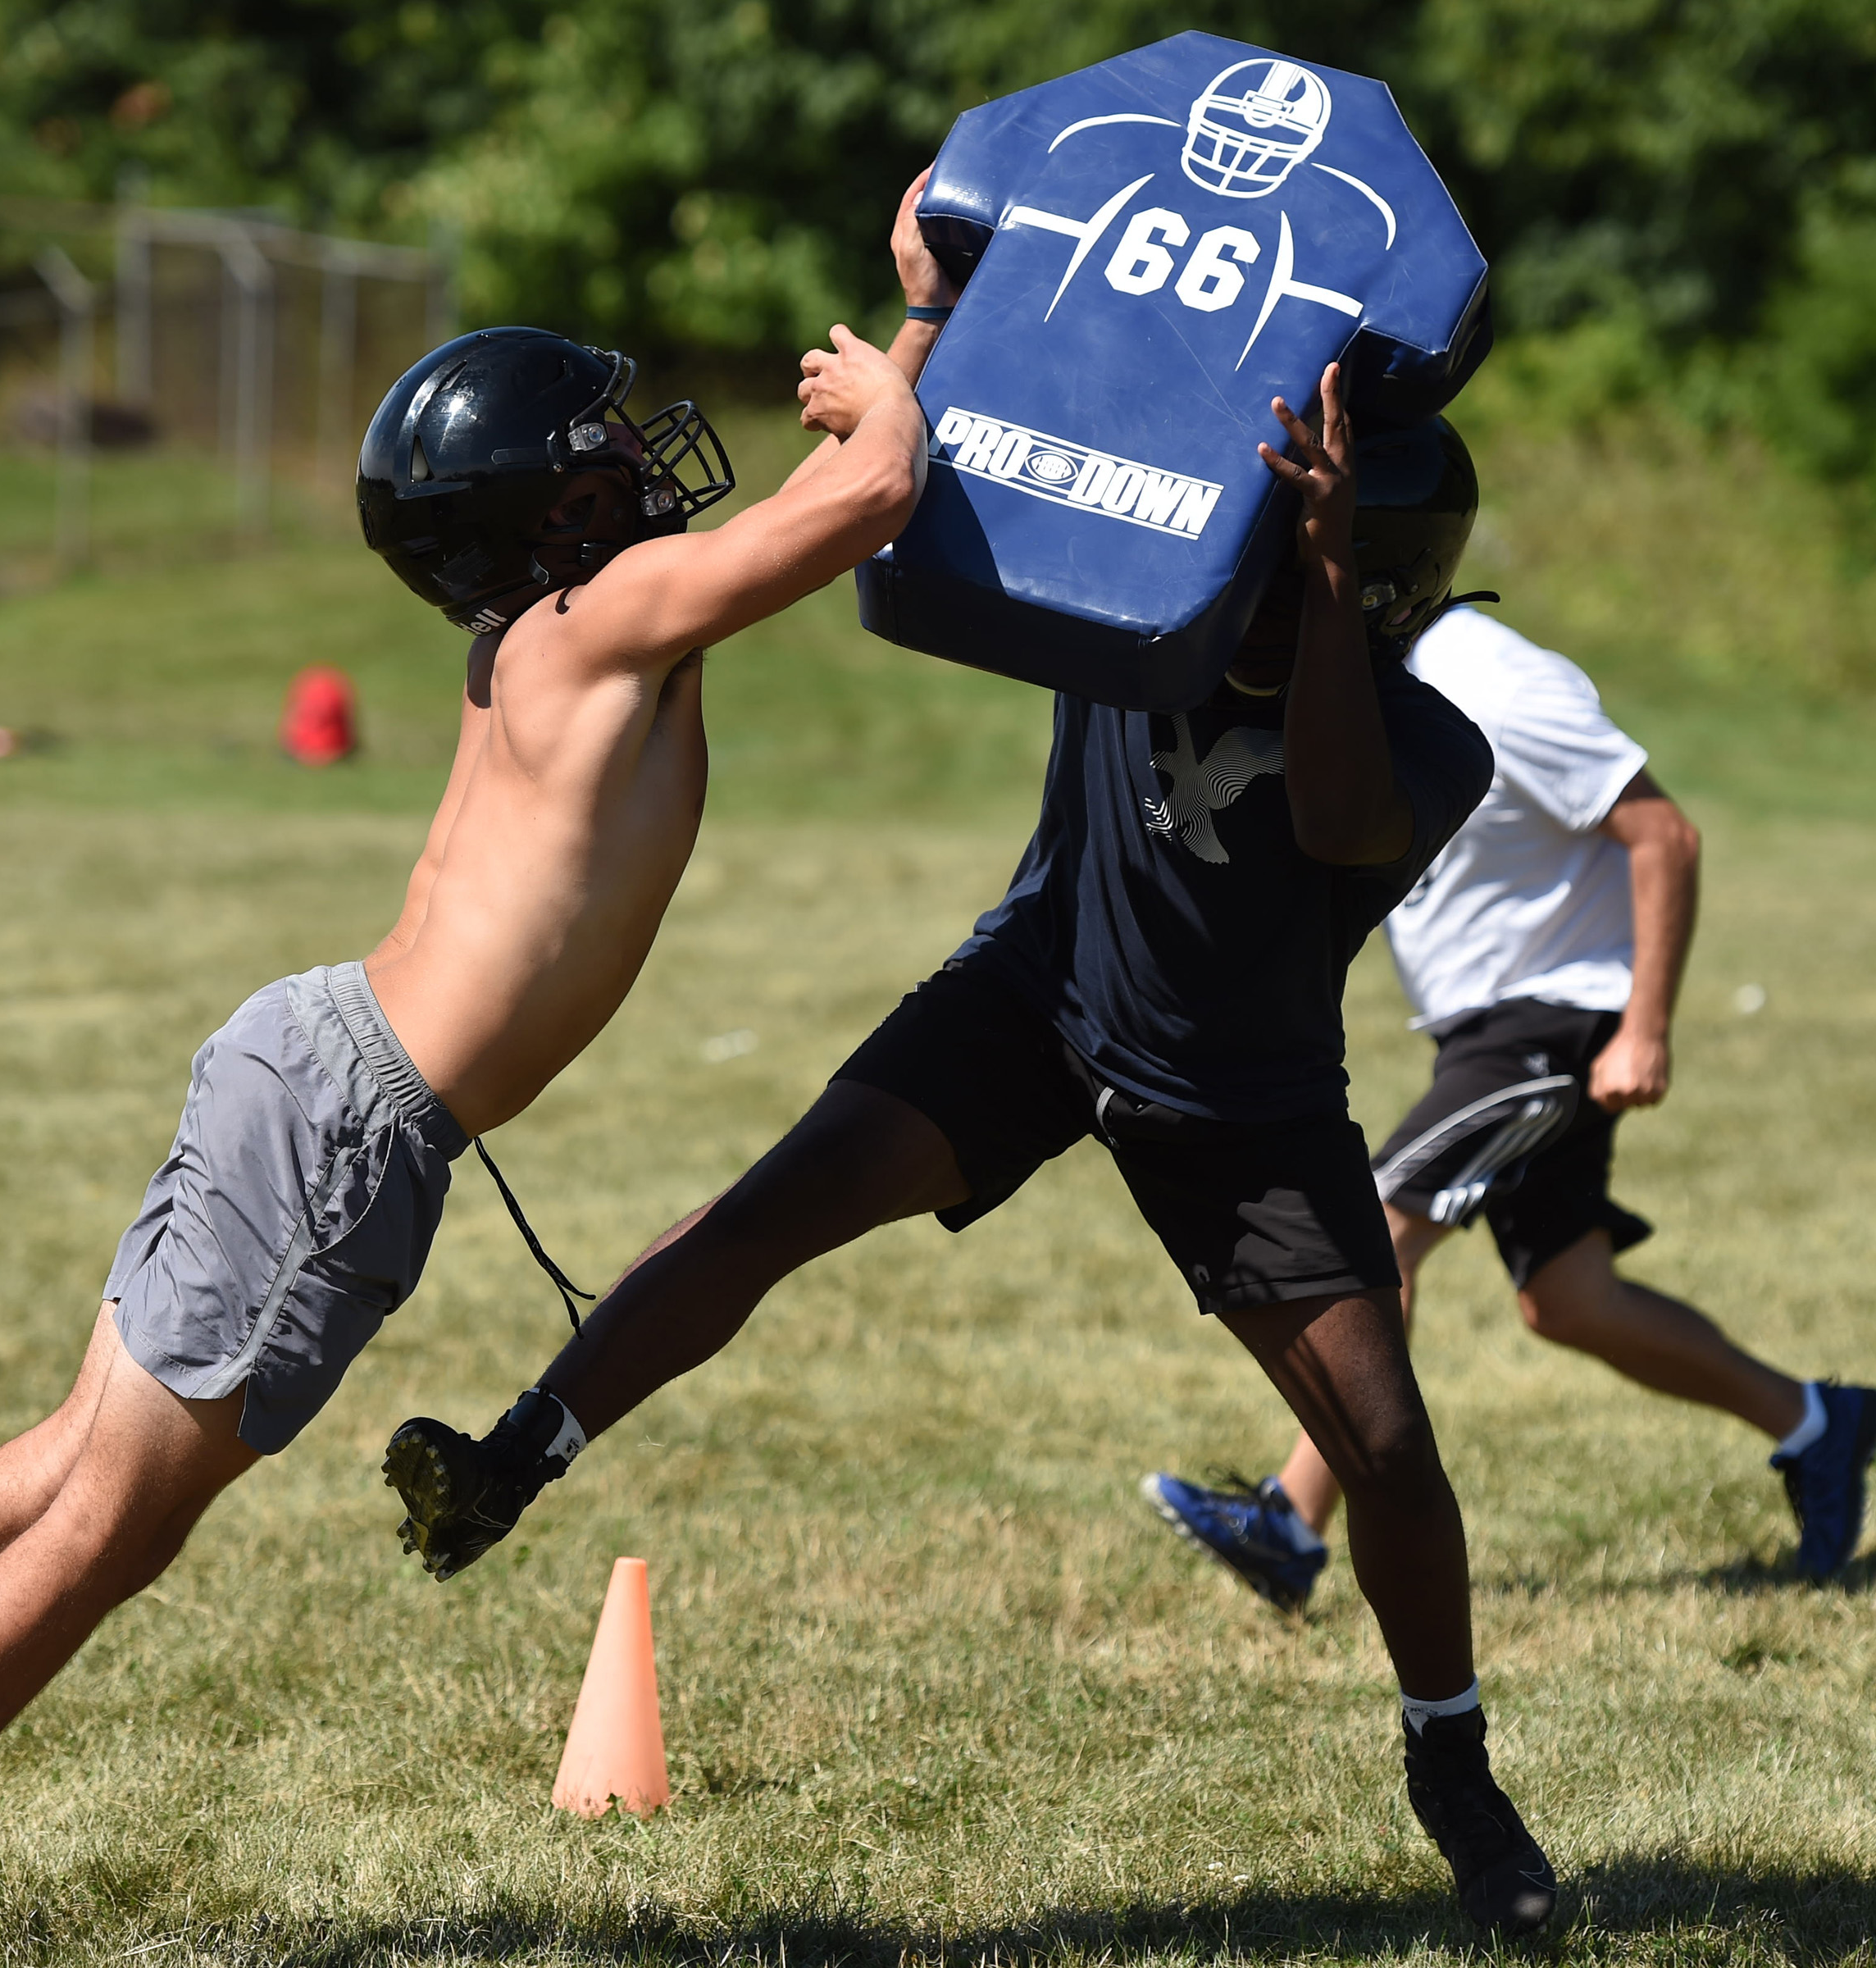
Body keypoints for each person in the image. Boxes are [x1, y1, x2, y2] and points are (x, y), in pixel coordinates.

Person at [0, 313, 927, 1961]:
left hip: (304, 1066)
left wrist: (924, 309)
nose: (639, 459)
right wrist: (890, 392)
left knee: (66, 1465)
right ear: (551, 511)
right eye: (602, 447)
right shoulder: (610, 622)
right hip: (339, 1130)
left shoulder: (582, 623)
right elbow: (872, 488)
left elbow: (821, 503)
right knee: (113, 1524)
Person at [385, 189, 1561, 1938]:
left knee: (1381, 1443)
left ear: (1364, 584)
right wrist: (940, 301)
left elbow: (1331, 809)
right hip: (1034, 996)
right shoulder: (1138, 598)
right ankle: (514, 1455)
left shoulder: (1418, 728)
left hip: (1233, 1093)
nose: (1224, 553)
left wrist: (1313, 591)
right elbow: (978, 472)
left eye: (1287, 546)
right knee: (760, 1216)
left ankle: (1449, 1760)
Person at [1141, 607, 1876, 1612]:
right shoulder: (1377, 683)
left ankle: (1288, 1523)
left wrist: (1644, 1026)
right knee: (1569, 1300)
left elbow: (1663, 834)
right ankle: (1812, 1422)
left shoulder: (1490, 676)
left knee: (1368, 1236)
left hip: (1556, 1020)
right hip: (1485, 1028)